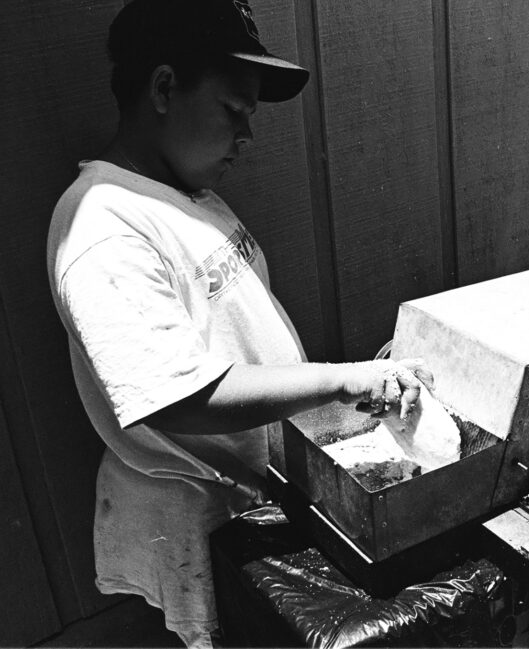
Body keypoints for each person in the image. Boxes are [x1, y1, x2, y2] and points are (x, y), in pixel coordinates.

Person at [46, 0, 431, 645]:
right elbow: (179, 396)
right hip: (199, 530)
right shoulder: (101, 224)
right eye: (234, 109)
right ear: (164, 88)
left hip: (250, 506)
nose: (247, 136)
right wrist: (341, 380)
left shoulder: (190, 198)